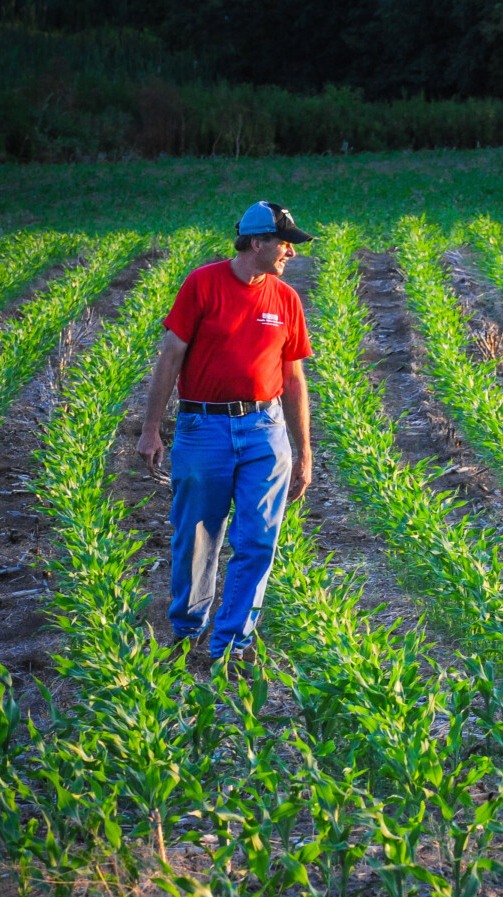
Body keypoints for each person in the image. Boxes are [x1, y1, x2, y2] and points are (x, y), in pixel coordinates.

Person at [137, 201, 314, 673]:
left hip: (264, 429)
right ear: (257, 243)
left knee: (258, 540)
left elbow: (294, 379)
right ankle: (188, 630)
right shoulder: (202, 285)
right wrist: (151, 429)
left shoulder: (285, 299)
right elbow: (169, 358)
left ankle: (232, 642)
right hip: (203, 427)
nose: (290, 254)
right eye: (284, 243)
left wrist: (303, 452)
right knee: (197, 536)